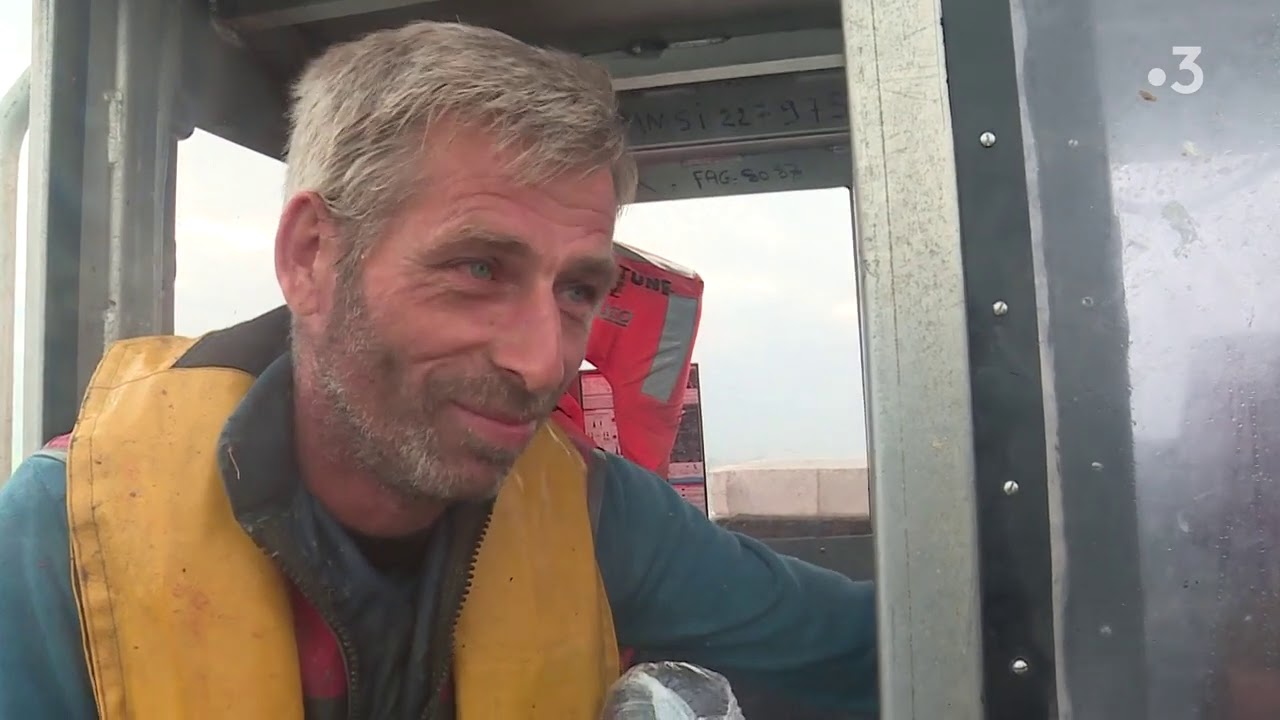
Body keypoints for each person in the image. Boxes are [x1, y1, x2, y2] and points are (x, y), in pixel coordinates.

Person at [0, 20, 877, 720]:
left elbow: (878, 650)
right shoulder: (61, 535)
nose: (541, 365)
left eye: (578, 290)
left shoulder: (599, 514)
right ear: (310, 258)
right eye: (479, 269)